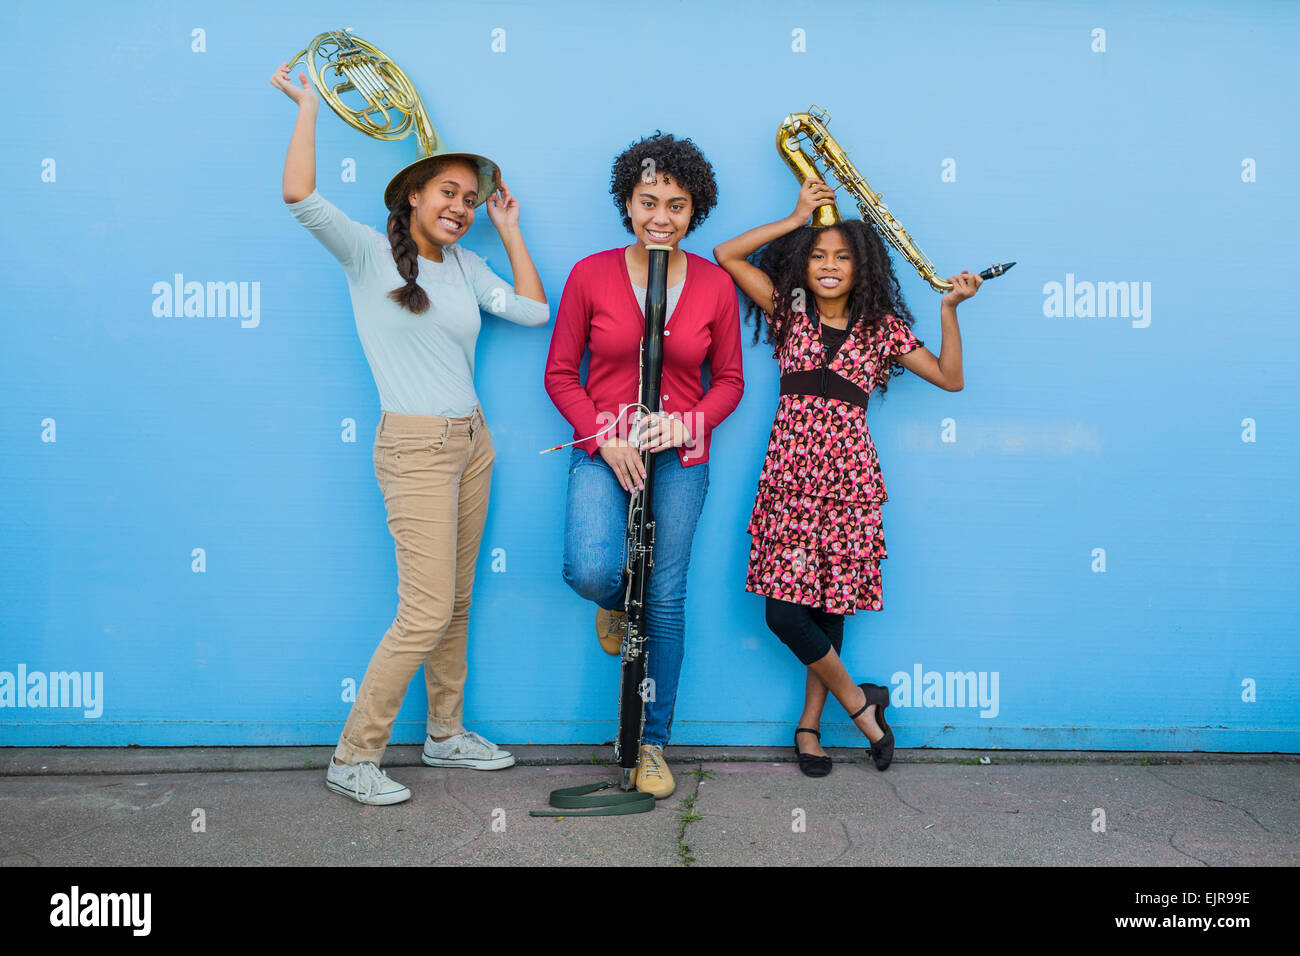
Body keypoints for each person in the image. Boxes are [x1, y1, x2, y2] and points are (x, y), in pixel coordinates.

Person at [271, 63, 549, 805]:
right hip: (415, 448)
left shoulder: (467, 262)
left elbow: (532, 311)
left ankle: (446, 735)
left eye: (471, 196)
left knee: (455, 604)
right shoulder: (367, 252)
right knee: (424, 608)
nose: (461, 206)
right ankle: (354, 756)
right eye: (449, 193)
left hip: (471, 443)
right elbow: (298, 195)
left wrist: (510, 231)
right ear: (414, 196)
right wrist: (309, 107)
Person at [714, 177, 982, 775]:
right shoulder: (788, 312)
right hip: (790, 479)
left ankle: (809, 728)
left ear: (864, 269)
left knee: (827, 605)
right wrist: (796, 217)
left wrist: (948, 309)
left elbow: (949, 377)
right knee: (785, 612)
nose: (829, 266)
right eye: (818, 255)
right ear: (802, 265)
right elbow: (726, 255)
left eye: (842, 257)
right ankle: (862, 706)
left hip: (850, 483)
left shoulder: (880, 328)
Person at [544, 132, 744, 799]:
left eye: (677, 205)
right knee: (593, 569)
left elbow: (731, 382)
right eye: (647, 201)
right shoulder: (590, 274)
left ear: (696, 211)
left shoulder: (714, 285)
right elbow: (560, 374)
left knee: (664, 598)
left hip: (680, 456)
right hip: (607, 451)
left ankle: (652, 744)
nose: (661, 216)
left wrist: (687, 423)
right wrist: (604, 436)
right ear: (626, 202)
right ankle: (615, 606)